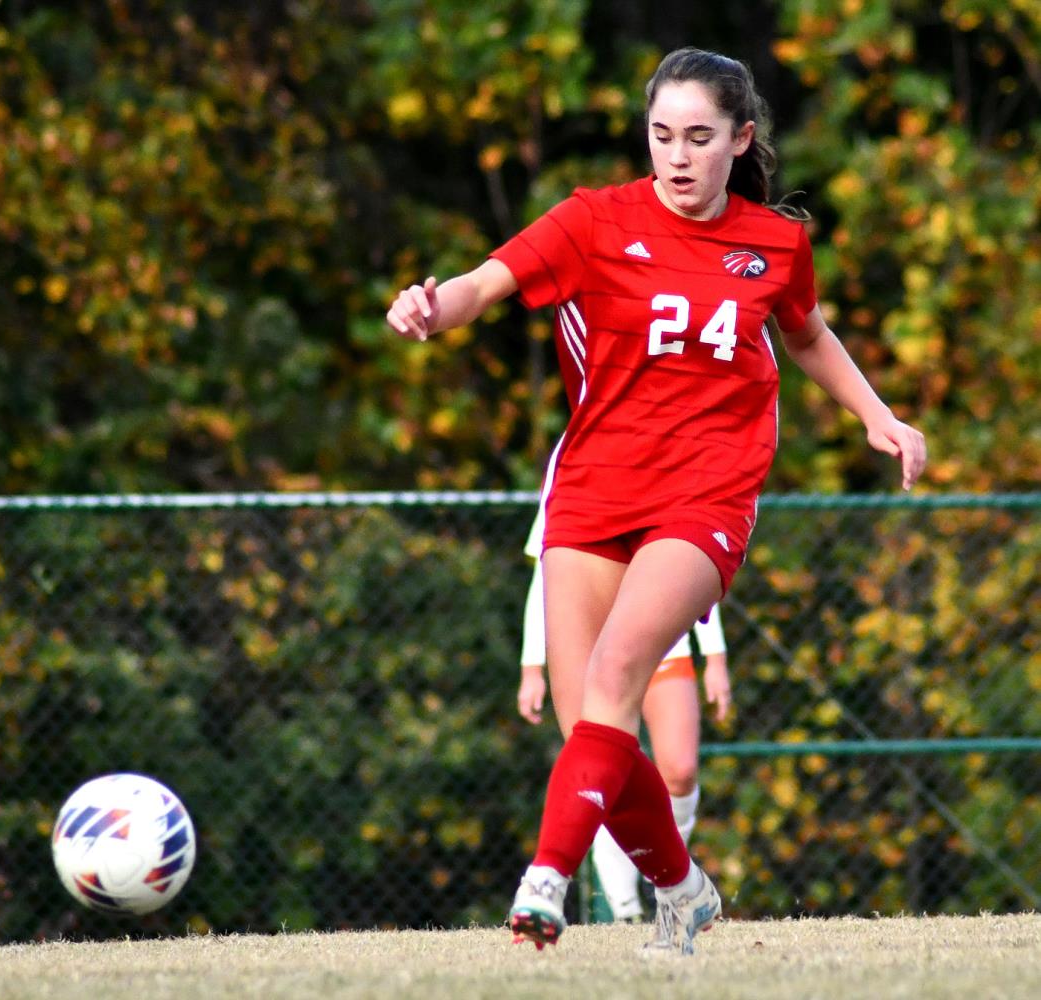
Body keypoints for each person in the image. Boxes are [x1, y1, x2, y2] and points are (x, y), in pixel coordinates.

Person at [386, 46, 926, 956]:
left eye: (699, 138)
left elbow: (806, 335)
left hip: (707, 491)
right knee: (591, 733)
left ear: (740, 139)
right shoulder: (593, 220)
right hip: (594, 486)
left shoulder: (775, 243)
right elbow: (483, 284)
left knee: (615, 677)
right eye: (662, 134)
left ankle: (543, 883)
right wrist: (431, 310)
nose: (677, 156)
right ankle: (684, 891)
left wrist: (879, 415)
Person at [517, 504, 731, 922]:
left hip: (665, 644)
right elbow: (546, 578)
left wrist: (715, 656)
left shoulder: (675, 471)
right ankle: (626, 904)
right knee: (602, 765)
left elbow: (700, 559)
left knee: (680, 768)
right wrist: (531, 665)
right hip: (594, 644)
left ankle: (673, 879)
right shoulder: (571, 474)